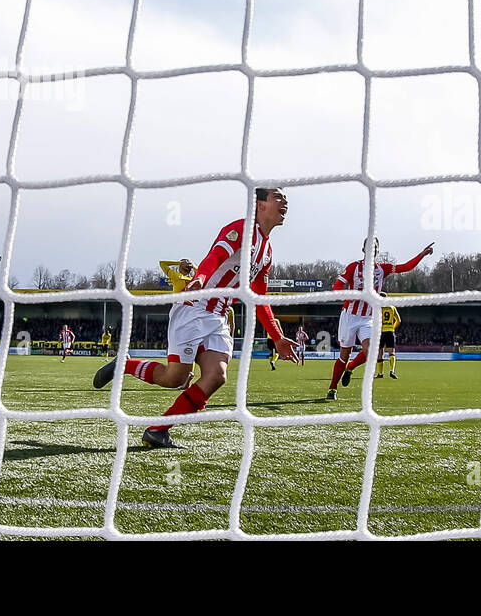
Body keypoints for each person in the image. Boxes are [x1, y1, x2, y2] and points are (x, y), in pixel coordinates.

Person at [93, 188, 296, 448]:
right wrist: (199, 278)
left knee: (216, 377)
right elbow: (215, 257)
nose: (285, 201)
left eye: (285, 198)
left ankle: (157, 430)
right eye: (277, 197)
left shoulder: (266, 253)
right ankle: (125, 365)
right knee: (174, 378)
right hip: (195, 307)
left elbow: (259, 299)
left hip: (220, 315)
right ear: (259, 205)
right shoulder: (240, 229)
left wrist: (277, 337)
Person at [329, 239, 434, 400]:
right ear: (363, 249)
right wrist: (348, 296)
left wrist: (421, 254)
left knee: (371, 351)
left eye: (376, 247)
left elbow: (405, 267)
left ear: (378, 250)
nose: (373, 249)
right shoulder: (353, 267)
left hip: (367, 318)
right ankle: (332, 388)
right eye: (370, 246)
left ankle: (350, 367)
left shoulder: (382, 269)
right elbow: (336, 287)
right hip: (349, 316)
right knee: (344, 354)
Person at [376, 305, 400, 379]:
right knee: (391, 352)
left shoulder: (378, 308)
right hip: (390, 332)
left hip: (381, 332)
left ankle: (380, 373)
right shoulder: (392, 308)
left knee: (380, 353)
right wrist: (392, 327)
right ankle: (392, 371)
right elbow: (398, 320)